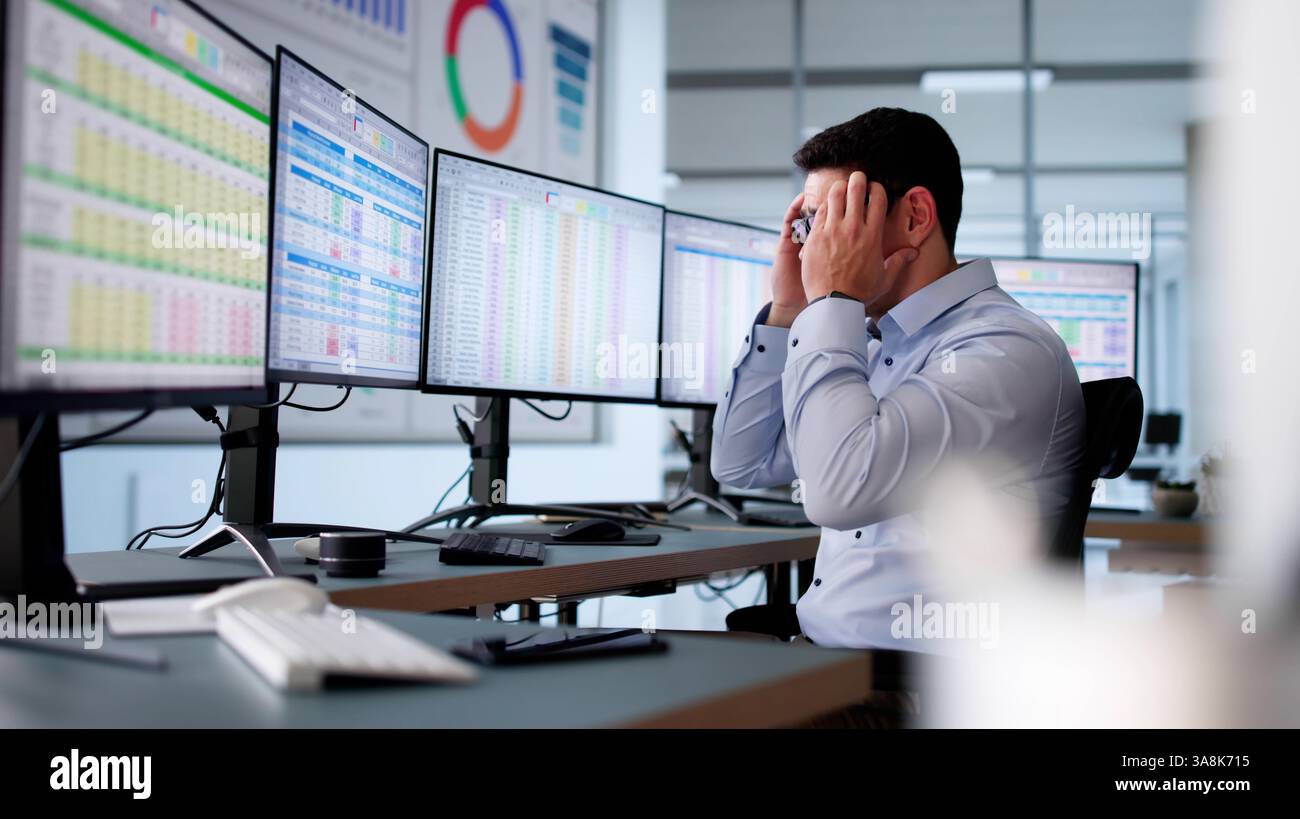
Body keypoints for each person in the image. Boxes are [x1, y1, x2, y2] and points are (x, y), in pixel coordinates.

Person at [711, 107, 1086, 650]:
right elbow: (740, 462)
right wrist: (791, 311)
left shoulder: (1004, 350)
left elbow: (838, 493)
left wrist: (833, 301)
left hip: (909, 691)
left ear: (914, 216)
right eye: (806, 227)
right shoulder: (868, 345)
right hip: (832, 663)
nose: (812, 245)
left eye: (829, 223)